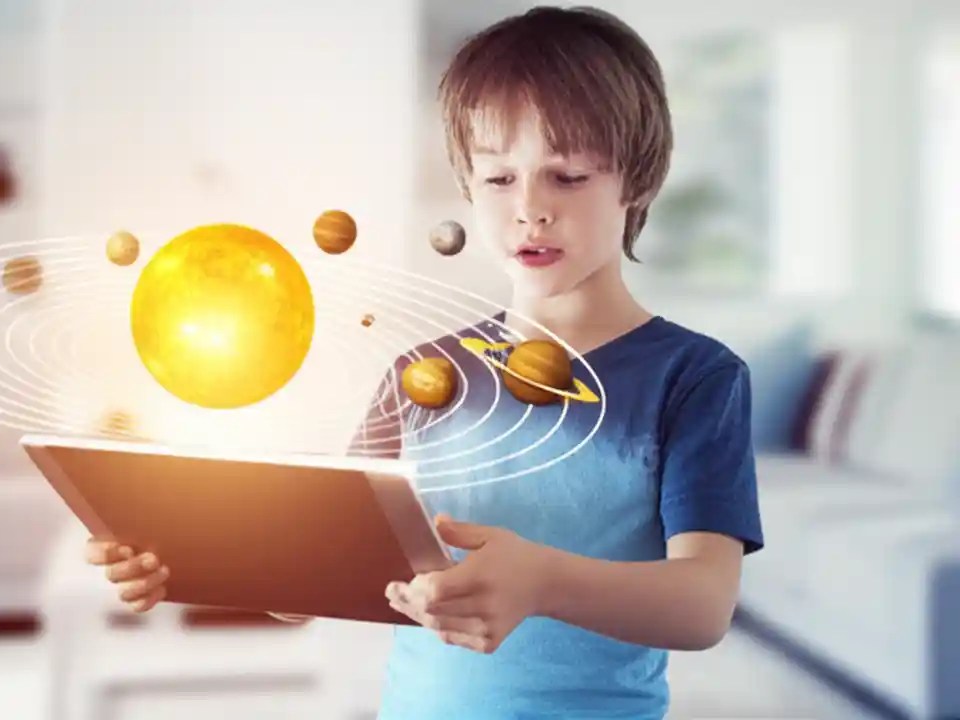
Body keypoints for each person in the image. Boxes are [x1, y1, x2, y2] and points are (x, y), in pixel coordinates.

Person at [85, 5, 764, 717]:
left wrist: (543, 582)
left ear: (638, 181)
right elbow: (313, 577)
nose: (529, 209)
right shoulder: (421, 377)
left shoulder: (695, 378)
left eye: (566, 176)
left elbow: (703, 605)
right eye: (499, 179)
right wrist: (179, 557)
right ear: (468, 186)